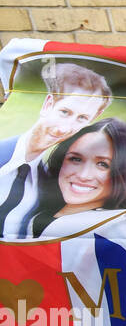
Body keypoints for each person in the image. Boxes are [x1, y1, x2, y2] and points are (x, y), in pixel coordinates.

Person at [0, 61, 112, 239]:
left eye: (82, 118)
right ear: (48, 104)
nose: (64, 129)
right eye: (65, 112)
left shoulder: (53, 183)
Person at [25, 118, 126, 238]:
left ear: (125, 175)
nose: (83, 175)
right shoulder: (30, 208)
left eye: (103, 164)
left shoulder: (118, 232)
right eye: (76, 159)